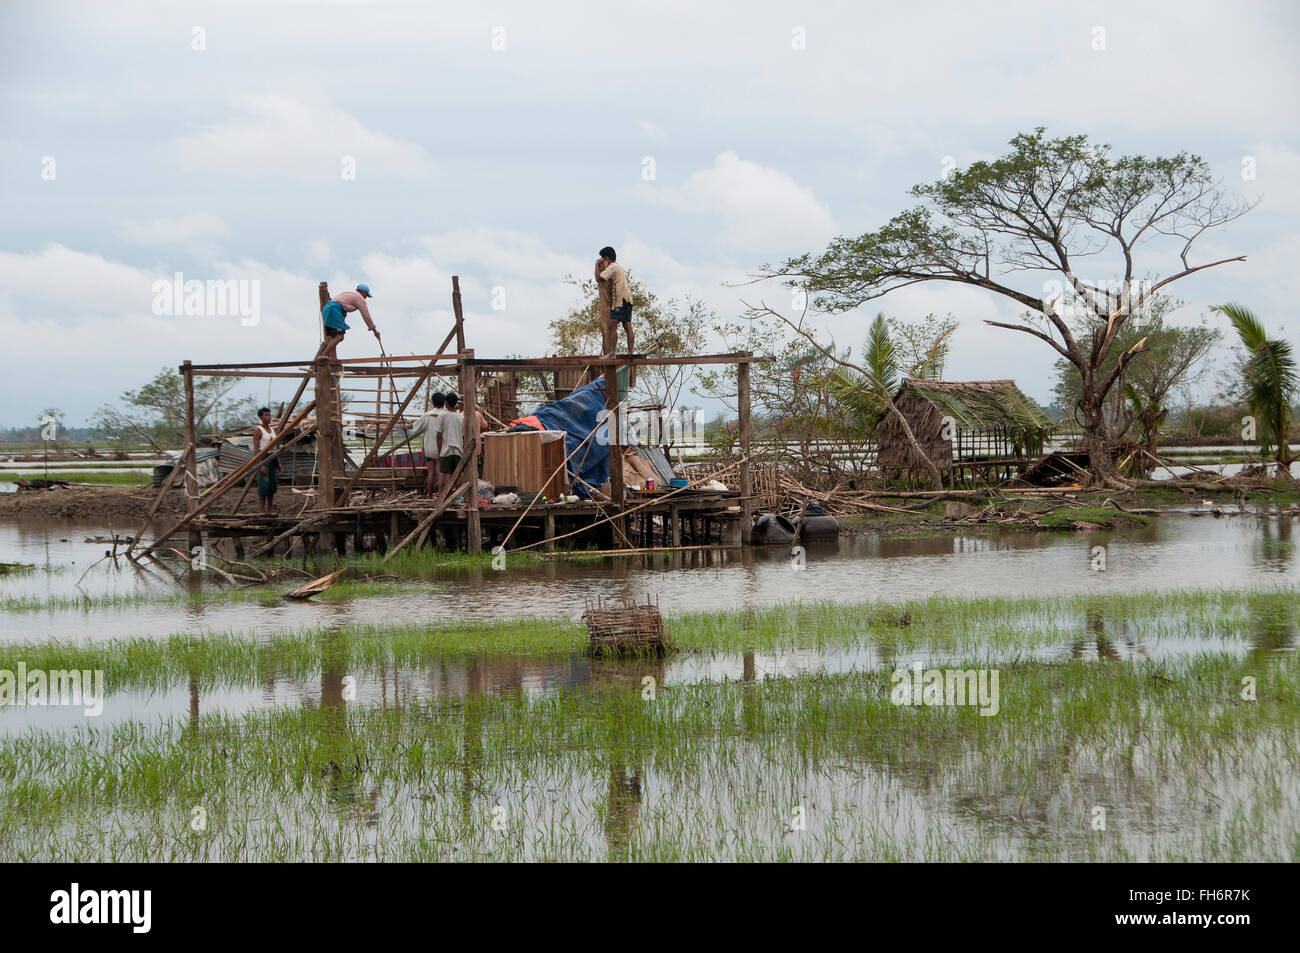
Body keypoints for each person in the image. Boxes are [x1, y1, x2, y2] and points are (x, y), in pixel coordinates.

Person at [320, 284, 380, 362]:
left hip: (327, 309)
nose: (366, 297)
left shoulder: (349, 295)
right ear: (362, 292)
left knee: (334, 336)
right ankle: (323, 355)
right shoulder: (359, 298)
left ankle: (333, 358)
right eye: (366, 295)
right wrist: (374, 331)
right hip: (334, 309)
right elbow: (366, 316)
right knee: (340, 336)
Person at [596, 246, 634, 358]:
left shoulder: (612, 267)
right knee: (627, 325)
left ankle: (612, 353)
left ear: (606, 258)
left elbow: (599, 278)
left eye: (603, 259)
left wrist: (597, 264)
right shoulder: (618, 267)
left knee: (612, 324)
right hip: (627, 299)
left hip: (620, 300)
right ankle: (630, 352)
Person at [408, 392, 446, 497]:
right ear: (444, 403)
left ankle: (429, 496)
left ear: (432, 402)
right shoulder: (445, 415)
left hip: (429, 449)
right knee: (441, 473)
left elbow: (415, 426)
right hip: (441, 448)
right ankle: (441, 496)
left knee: (431, 473)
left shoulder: (426, 415)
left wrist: (406, 426)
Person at [435, 392, 466, 497]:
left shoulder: (442, 416)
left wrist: (439, 452)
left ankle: (442, 497)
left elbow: (439, 435)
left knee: (443, 475)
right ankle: (460, 497)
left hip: (446, 449)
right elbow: (463, 436)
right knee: (457, 476)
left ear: (446, 403)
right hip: (458, 450)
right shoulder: (460, 417)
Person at [252, 407, 281, 514]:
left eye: (269, 415)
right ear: (260, 417)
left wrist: (278, 462)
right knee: (263, 486)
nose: (268, 417)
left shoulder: (272, 430)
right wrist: (261, 464)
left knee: (272, 486)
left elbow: (275, 448)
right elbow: (256, 450)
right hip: (263, 458)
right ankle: (262, 510)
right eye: (265, 415)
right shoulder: (258, 431)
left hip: (272, 457)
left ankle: (269, 510)